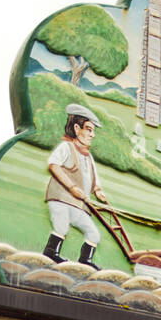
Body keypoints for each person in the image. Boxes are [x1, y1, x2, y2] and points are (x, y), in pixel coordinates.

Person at [43, 104, 108, 269]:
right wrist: (72, 187)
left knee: (94, 233)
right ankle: (51, 253)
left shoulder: (88, 156)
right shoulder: (66, 147)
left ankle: (85, 260)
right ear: (77, 128)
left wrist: (98, 191)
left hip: (79, 205)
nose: (92, 135)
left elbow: (93, 178)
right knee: (61, 225)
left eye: (93, 131)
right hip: (61, 199)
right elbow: (53, 165)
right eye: (89, 129)